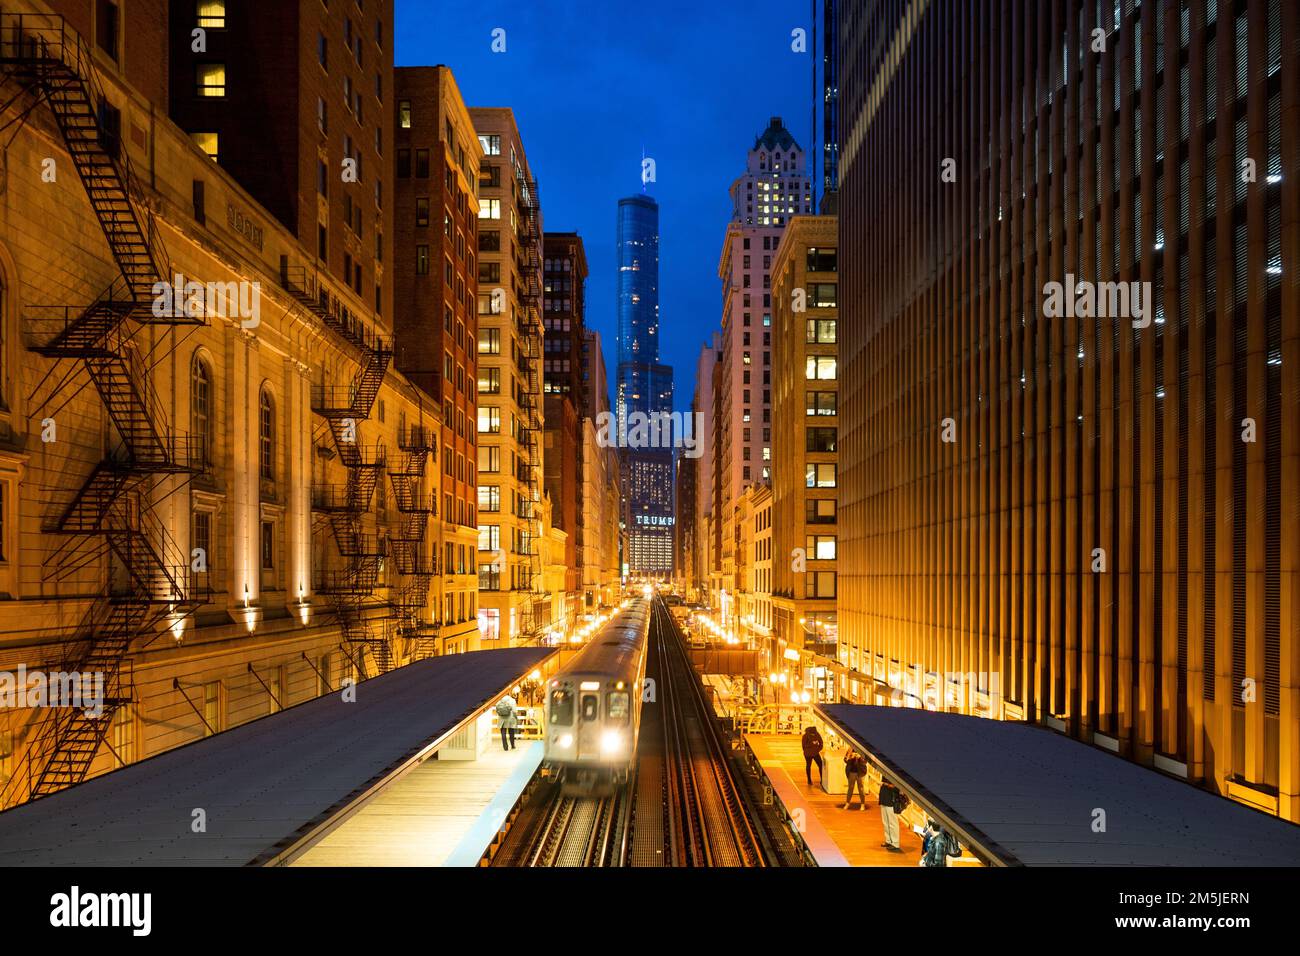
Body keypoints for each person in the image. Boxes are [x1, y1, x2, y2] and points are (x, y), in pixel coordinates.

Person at [878, 778, 907, 852]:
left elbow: (898, 786)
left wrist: (886, 784)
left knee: (893, 823)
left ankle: (895, 843)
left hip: (891, 800)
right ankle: (888, 841)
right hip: (884, 798)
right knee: (885, 822)